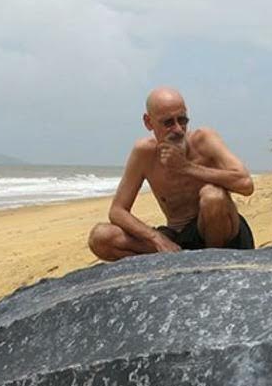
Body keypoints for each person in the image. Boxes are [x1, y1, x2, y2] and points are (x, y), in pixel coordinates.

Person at [88, 87, 255, 261]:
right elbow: (117, 211)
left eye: (182, 120)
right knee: (101, 237)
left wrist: (186, 168)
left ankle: (211, 261)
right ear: (148, 122)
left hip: (222, 235)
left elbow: (246, 184)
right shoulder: (145, 153)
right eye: (168, 122)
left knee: (213, 197)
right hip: (178, 239)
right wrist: (156, 238)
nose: (178, 129)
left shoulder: (204, 139)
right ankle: (182, 259)